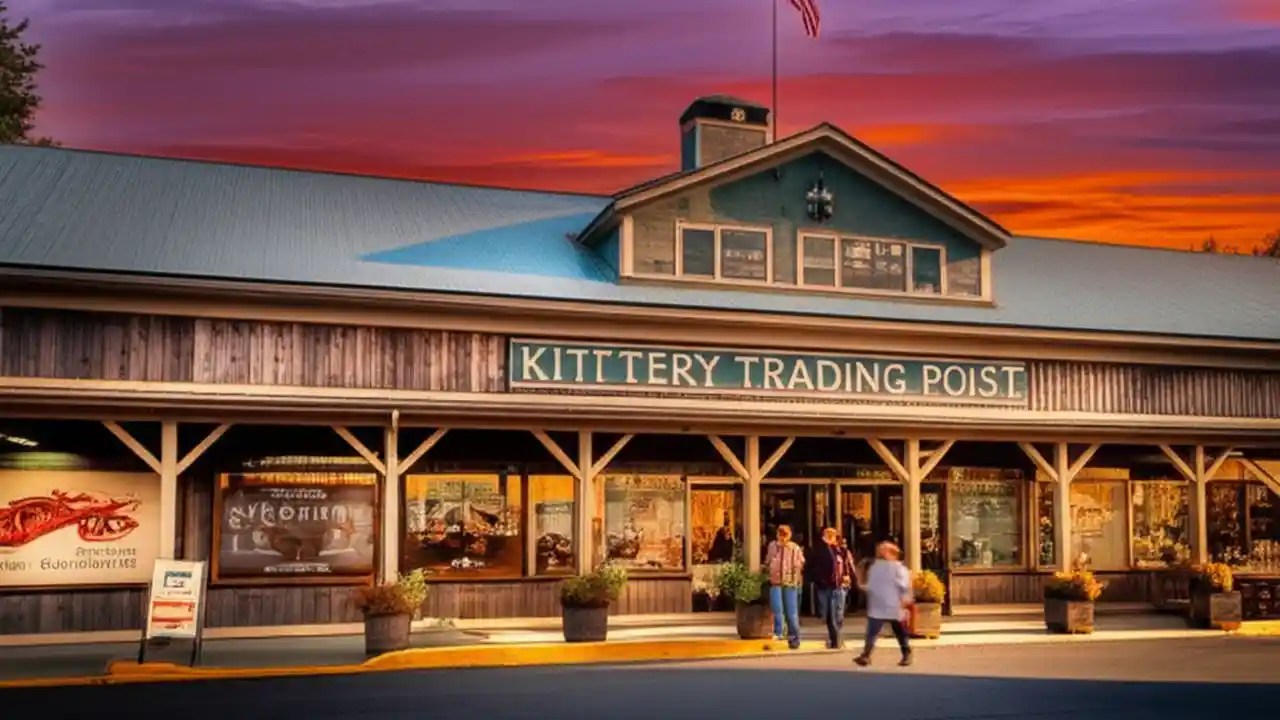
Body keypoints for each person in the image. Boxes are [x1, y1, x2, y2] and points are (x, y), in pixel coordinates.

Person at [854, 541, 913, 667]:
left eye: (883, 551)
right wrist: (863, 586)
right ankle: (866, 655)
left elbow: (904, 587)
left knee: (900, 632)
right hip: (877, 604)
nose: (880, 554)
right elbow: (873, 585)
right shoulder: (875, 567)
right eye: (879, 551)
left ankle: (906, 653)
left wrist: (905, 603)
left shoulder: (899, 568)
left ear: (892, 554)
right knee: (872, 631)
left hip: (894, 604)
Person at [810, 527, 855, 649]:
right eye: (827, 535)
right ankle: (834, 637)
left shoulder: (842, 551)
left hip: (839, 586)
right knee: (829, 614)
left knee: (837, 613)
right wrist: (819, 581)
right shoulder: (819, 550)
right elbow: (813, 566)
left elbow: (848, 565)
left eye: (832, 536)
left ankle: (836, 639)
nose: (829, 538)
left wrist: (848, 577)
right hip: (825, 586)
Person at [764, 524, 804, 649]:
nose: (782, 538)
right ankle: (778, 632)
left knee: (791, 612)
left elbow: (800, 563)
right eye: (780, 535)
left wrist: (796, 578)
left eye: (785, 535)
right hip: (775, 581)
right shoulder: (773, 546)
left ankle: (794, 637)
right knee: (777, 608)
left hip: (790, 582)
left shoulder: (794, 548)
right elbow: (768, 560)